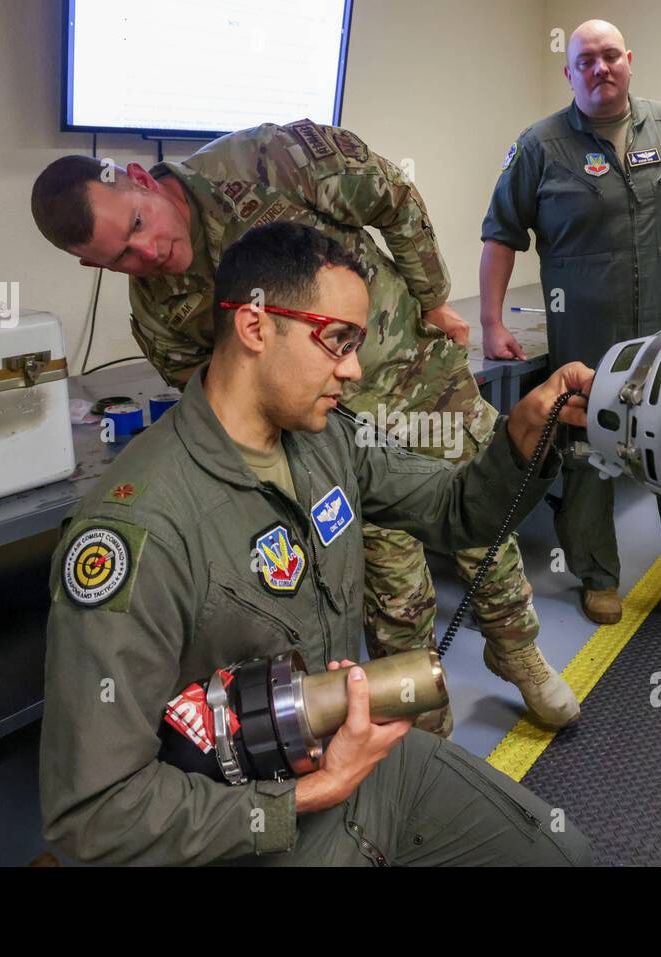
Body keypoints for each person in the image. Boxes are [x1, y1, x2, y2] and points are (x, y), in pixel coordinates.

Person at [39, 222, 593, 866]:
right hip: (245, 815)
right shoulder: (141, 532)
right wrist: (309, 794)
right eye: (336, 341)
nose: (354, 369)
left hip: (349, 752)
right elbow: (97, 812)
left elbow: (454, 509)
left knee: (562, 856)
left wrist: (525, 435)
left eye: (356, 343)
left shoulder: (323, 439)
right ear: (254, 326)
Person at [30, 122, 579, 732]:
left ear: (139, 179)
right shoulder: (157, 309)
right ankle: (423, 717)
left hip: (416, 377)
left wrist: (432, 297)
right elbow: (217, 394)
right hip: (331, 434)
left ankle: (516, 650)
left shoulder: (270, 160)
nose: (149, 254)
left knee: (482, 518)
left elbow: (393, 198)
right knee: (393, 585)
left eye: (138, 225)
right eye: (121, 258)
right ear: (91, 262)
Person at [480, 19, 661, 631]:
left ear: (628, 61)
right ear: (568, 71)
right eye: (585, 61)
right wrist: (492, 322)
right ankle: (598, 578)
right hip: (583, 332)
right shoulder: (540, 145)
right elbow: (500, 235)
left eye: (609, 57)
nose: (600, 69)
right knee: (586, 453)